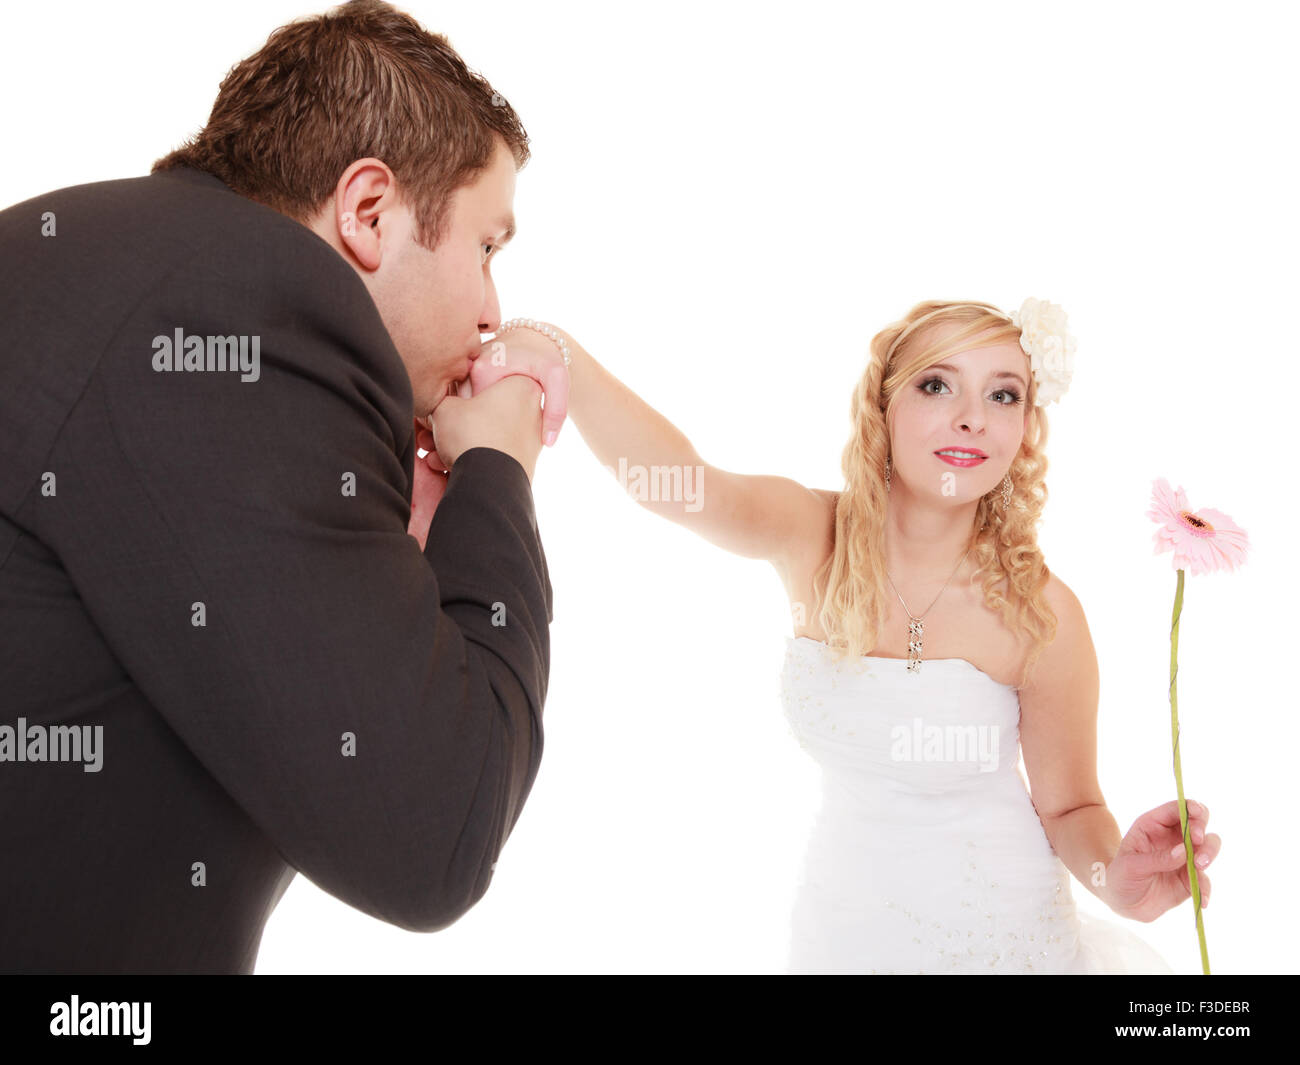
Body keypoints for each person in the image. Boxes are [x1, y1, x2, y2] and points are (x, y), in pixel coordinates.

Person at [0, 0, 570, 973]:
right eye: (486, 246)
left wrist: (396, 562)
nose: (491, 310)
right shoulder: (248, 311)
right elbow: (431, 832)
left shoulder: (89, 250)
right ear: (369, 211)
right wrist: (495, 473)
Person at [495, 301, 1222, 973]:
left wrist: (1117, 883)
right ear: (884, 405)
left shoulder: (1043, 612)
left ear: (1025, 427)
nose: (972, 417)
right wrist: (564, 357)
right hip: (841, 931)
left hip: (1006, 940)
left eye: (1003, 394)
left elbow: (1069, 808)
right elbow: (682, 484)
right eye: (938, 385)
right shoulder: (811, 534)